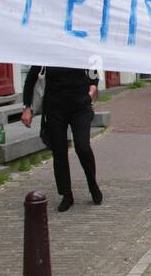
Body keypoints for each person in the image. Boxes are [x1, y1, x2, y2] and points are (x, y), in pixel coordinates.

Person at [22, 66, 102, 212]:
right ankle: (66, 194)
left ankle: (92, 184)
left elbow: (93, 68)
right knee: (59, 151)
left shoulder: (79, 47)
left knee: (82, 147)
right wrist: (27, 107)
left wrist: (92, 89)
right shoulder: (48, 50)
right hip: (55, 107)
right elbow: (31, 78)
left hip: (80, 105)